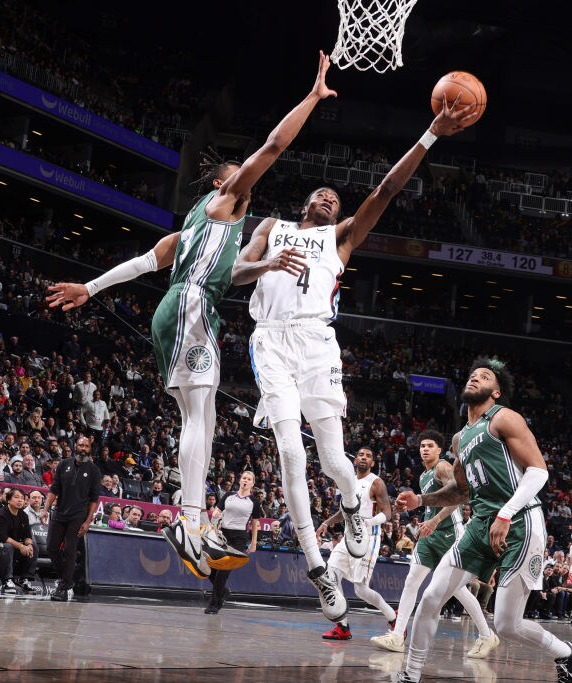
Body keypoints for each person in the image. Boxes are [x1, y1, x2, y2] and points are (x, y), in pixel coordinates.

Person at [47, 52, 337, 581]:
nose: (249, 186)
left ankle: (192, 521)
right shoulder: (226, 202)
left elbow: (143, 263)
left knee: (199, 418)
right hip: (189, 306)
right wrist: (313, 98)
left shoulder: (197, 234)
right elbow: (273, 146)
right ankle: (188, 520)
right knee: (197, 418)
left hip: (190, 307)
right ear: (223, 186)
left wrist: (88, 287)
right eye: (239, 179)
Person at [231, 96, 479, 623]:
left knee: (333, 461)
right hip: (270, 340)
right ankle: (319, 571)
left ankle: (351, 508)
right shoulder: (270, 226)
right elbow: (233, 275)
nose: (328, 197)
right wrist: (269, 261)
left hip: (319, 344)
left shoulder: (339, 239)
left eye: (335, 198)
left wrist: (431, 134)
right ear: (304, 203)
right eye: (320, 193)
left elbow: (386, 189)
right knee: (290, 458)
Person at [394, 360, 572, 683]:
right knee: (430, 598)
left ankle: (566, 653)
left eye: (484, 377)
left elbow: (539, 471)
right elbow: (461, 491)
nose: (475, 378)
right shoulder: (459, 440)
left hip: (521, 521)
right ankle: (410, 675)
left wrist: (506, 513)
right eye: (472, 375)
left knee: (507, 625)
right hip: (481, 523)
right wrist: (421, 500)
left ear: (495, 392)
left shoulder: (504, 418)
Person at [371, 430, 498, 657]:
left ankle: (487, 636)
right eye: (422, 446)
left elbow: (458, 499)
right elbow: (432, 503)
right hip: (430, 535)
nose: (425, 449)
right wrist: (410, 508)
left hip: (450, 533)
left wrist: (436, 520)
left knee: (458, 590)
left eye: (430, 445)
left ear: (440, 450)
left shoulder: (443, 467)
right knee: (412, 581)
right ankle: (397, 636)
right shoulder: (423, 476)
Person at [313, 447, 397, 640]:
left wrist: (368, 522)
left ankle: (393, 618)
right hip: (348, 536)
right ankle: (342, 627)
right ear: (355, 459)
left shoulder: (376, 482)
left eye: (368, 456)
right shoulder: (349, 482)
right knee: (331, 575)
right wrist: (326, 522)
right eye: (361, 454)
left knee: (361, 590)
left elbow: (388, 513)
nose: (364, 458)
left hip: (368, 537)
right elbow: (345, 511)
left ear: (372, 463)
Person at [205, 470, 262, 614]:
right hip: (222, 534)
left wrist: (253, 542)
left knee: (223, 570)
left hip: (239, 538)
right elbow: (217, 511)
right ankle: (223, 591)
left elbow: (255, 523)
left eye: (249, 479)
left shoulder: (254, 502)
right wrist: (216, 515)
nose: (246, 480)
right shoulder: (228, 496)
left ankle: (214, 604)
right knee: (210, 568)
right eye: (244, 478)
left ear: (252, 483)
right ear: (239, 480)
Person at [0, 488, 39, 593]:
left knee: (34, 547)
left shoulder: (23, 515)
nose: (20, 500)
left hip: (11, 547)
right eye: (16, 497)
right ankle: (7, 580)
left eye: (22, 498)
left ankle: (24, 579)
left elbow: (27, 536)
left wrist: (28, 545)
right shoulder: (0, 515)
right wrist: (20, 546)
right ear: (9, 500)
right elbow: (3, 538)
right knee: (8, 546)